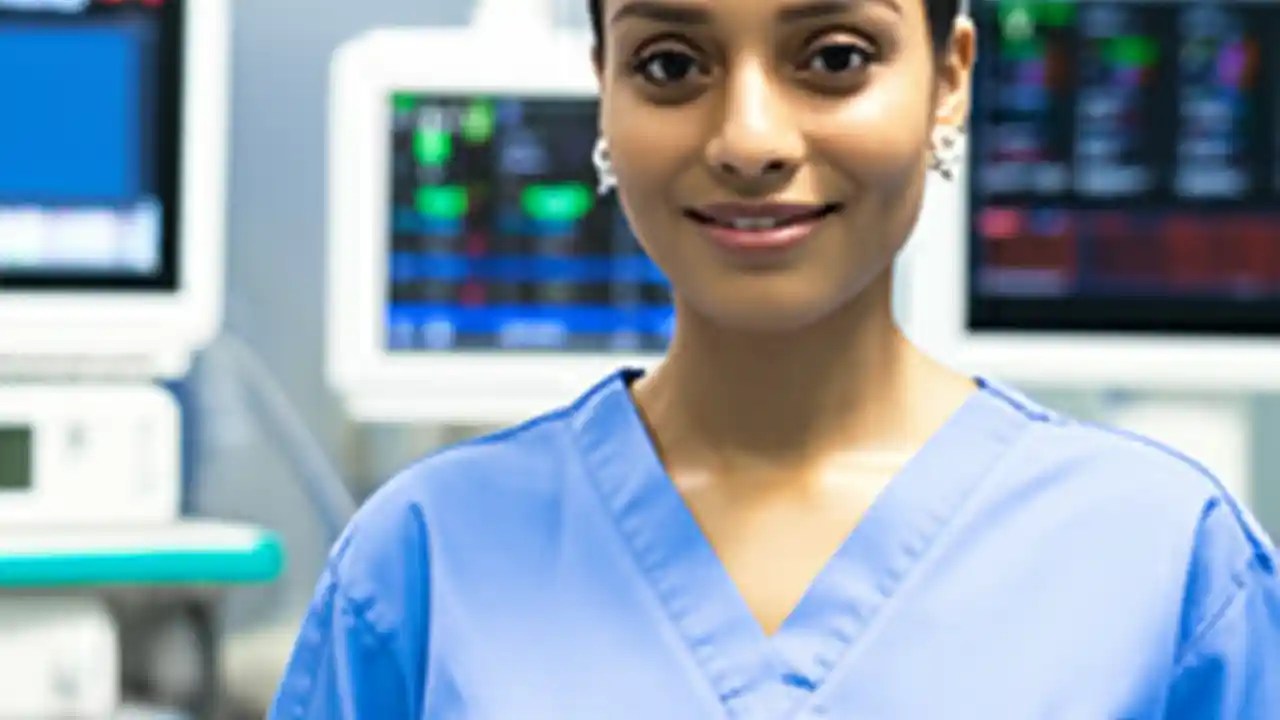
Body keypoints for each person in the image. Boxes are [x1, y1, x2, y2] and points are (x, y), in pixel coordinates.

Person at [271, 0, 1280, 717]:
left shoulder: (1160, 563)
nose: (748, 139)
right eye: (670, 64)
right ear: (604, 94)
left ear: (949, 78)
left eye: (834, 56)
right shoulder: (424, 562)